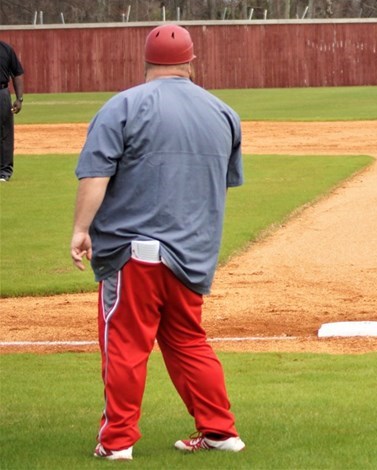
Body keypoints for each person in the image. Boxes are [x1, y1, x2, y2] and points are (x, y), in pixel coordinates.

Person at [69, 24, 246, 460]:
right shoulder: (222, 112)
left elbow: (96, 174)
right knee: (188, 341)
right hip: (193, 252)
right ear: (191, 60)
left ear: (145, 61)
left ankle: (116, 442)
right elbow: (222, 183)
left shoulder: (123, 105)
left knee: (126, 345)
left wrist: (80, 229)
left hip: (135, 253)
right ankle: (221, 432)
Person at [0, 39, 25, 182]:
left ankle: (4, 171)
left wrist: (19, 98)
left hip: (1, 91)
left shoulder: (5, 49)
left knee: (4, 133)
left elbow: (17, 73)